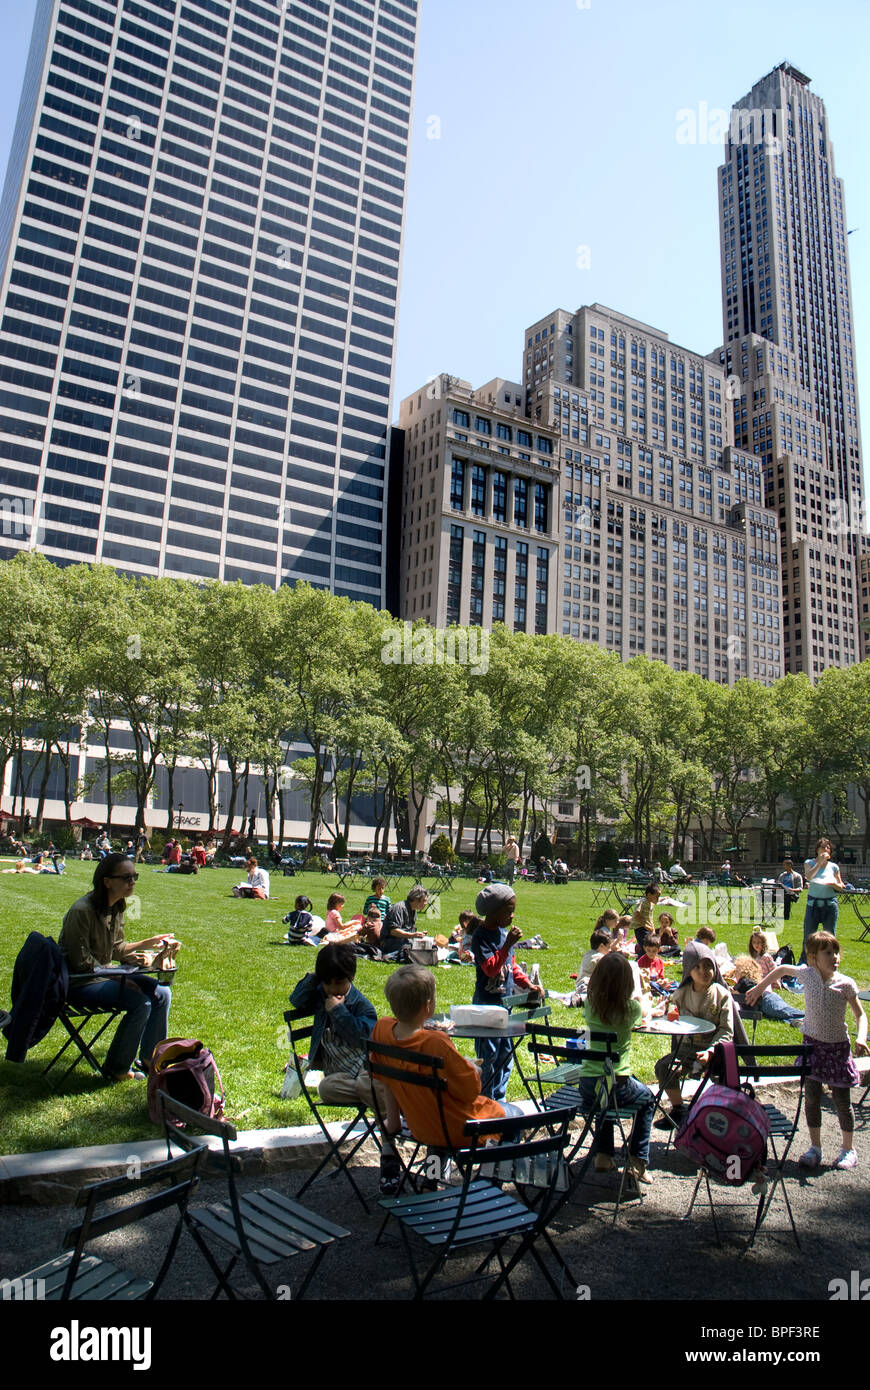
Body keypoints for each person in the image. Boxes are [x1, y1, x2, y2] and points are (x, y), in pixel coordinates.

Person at [746, 932, 868, 1170]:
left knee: (842, 1101)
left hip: (837, 1049)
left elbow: (860, 1015)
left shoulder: (846, 983)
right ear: (813, 957)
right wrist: (760, 988)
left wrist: (861, 1037)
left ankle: (848, 1149)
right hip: (812, 1045)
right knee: (812, 1098)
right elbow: (781, 971)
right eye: (828, 953)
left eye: (836, 952)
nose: (835, 957)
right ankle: (815, 1148)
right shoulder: (806, 974)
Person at [371, 964, 524, 1154]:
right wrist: (474, 1069)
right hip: (458, 1127)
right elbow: (470, 1092)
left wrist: (393, 1121)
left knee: (442, 1118)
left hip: (421, 1125)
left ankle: (433, 1176)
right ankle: (488, 1179)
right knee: (516, 1116)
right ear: (428, 1006)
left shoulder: (382, 1030)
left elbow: (386, 1080)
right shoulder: (436, 1043)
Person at [58, 853, 174, 1083]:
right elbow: (80, 962)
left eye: (134, 877)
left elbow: (118, 948)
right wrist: (117, 976)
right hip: (79, 982)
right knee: (140, 1002)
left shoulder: (115, 907)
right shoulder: (82, 911)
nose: (132, 882)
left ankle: (151, 1059)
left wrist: (148, 945)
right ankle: (118, 1068)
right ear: (107, 881)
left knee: (162, 992)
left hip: (104, 975)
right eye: (126, 877)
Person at [577, 951, 656, 1187]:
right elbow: (642, 1014)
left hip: (588, 1084)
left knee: (603, 1104)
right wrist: (645, 999)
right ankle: (638, 1160)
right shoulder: (630, 1008)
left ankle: (603, 1154)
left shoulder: (591, 1005)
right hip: (617, 1083)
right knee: (648, 1099)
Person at [469, 883, 542, 1101]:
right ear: (493, 912)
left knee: (505, 1054)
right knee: (488, 1056)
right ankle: (486, 1100)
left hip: (505, 1003)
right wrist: (508, 943)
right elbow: (491, 968)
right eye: (509, 911)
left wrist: (528, 984)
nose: (512, 916)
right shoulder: (480, 937)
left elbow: (512, 965)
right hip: (487, 1005)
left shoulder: (502, 934)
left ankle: (499, 1100)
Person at [654, 942, 734, 1131]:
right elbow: (670, 1014)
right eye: (697, 967)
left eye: (707, 966)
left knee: (723, 1078)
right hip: (687, 1051)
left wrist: (711, 1051)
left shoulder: (721, 995)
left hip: (715, 1052)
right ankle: (678, 1109)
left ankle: (719, 1115)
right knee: (664, 1067)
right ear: (688, 970)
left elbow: (727, 1031)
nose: (703, 971)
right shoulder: (682, 993)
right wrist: (663, 1011)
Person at [799, 838, 848, 964]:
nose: (825, 850)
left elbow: (841, 886)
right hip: (813, 905)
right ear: (817, 850)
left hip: (830, 905)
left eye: (828, 848)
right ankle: (806, 965)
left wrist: (834, 884)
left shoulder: (834, 867)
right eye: (822, 847)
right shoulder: (809, 863)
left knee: (830, 937)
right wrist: (819, 863)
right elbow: (808, 877)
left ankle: (830, 963)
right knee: (808, 937)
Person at [743, 930, 804, 1023]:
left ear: (763, 943)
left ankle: (803, 1017)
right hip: (758, 981)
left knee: (779, 1010)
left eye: (758, 943)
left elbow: (774, 969)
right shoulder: (754, 956)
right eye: (754, 942)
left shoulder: (766, 956)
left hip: (767, 981)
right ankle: (797, 1020)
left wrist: (777, 981)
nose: (756, 945)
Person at [379, 885, 428, 957]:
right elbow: (393, 931)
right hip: (390, 941)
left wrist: (418, 935)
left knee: (428, 944)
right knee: (415, 949)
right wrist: (413, 935)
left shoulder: (413, 910)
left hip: (404, 940)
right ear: (416, 899)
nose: (425, 903)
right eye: (424, 900)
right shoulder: (399, 908)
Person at [631, 884, 661, 955]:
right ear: (649, 895)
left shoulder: (651, 904)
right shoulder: (642, 902)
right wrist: (646, 925)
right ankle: (641, 960)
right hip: (640, 928)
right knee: (646, 946)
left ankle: (644, 958)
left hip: (647, 928)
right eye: (657, 896)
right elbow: (637, 914)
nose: (658, 899)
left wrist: (652, 928)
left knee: (649, 944)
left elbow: (650, 917)